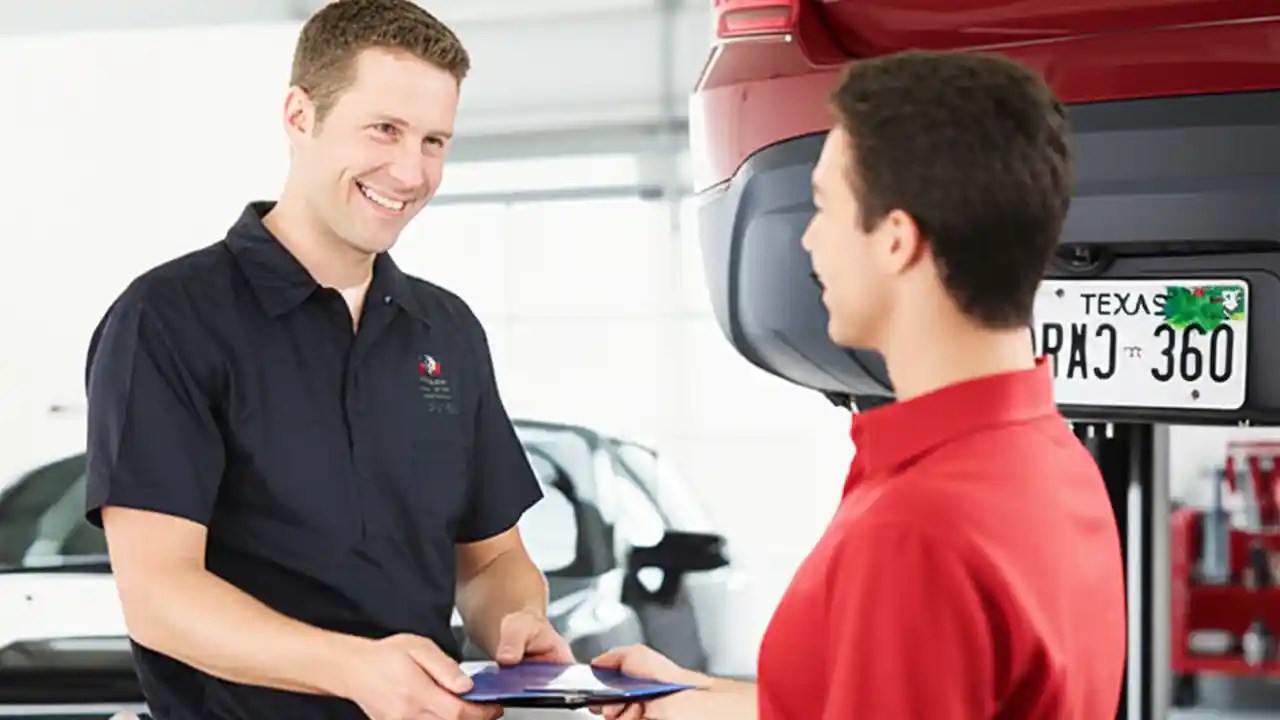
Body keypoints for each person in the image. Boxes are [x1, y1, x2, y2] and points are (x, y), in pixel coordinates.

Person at [589, 50, 1127, 719]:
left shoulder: (916, 533)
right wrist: (690, 702)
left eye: (824, 208)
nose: (811, 241)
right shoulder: (1053, 463)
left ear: (896, 240)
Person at [83, 1, 571, 718]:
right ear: (299, 116)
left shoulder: (448, 330)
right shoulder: (166, 320)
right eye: (384, 129)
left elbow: (492, 559)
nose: (411, 171)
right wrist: (356, 672)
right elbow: (160, 598)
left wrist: (515, 623)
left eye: (435, 140)